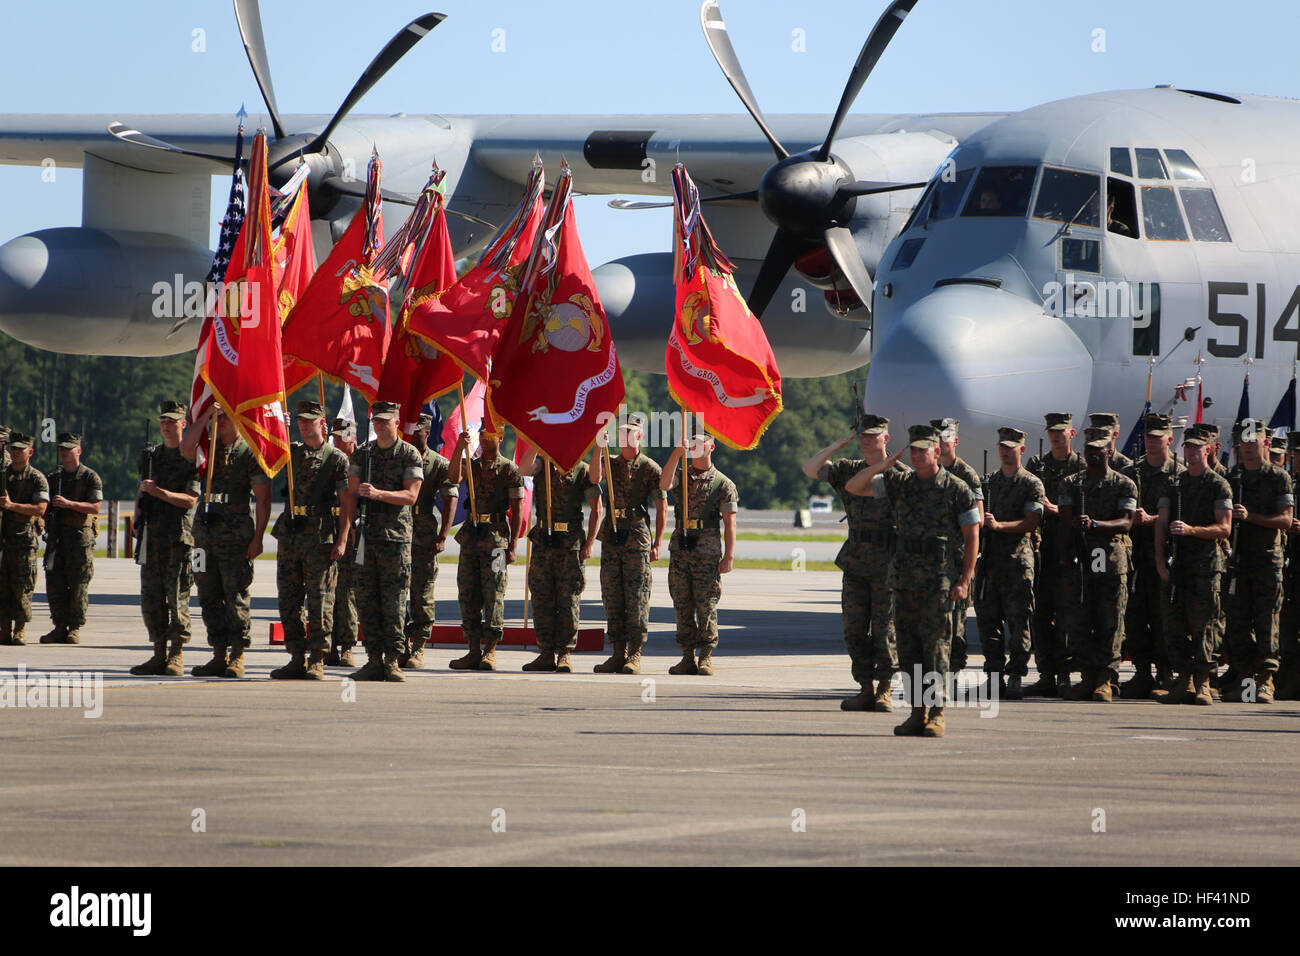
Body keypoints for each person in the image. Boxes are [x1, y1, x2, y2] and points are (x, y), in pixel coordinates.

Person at [846, 424, 980, 738]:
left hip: (938, 582)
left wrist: (964, 580)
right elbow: (854, 486)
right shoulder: (900, 484)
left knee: (936, 650)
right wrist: (884, 464)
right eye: (914, 450)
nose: (918, 456)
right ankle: (917, 714)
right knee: (908, 651)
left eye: (924, 449)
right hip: (904, 581)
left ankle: (936, 714)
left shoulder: (956, 488)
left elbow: (972, 536)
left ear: (937, 450)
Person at [803, 414, 905, 711]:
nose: (866, 440)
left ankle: (885, 688)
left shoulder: (899, 474)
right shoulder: (848, 469)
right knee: (854, 629)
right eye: (863, 435)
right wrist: (838, 445)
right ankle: (865, 688)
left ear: (886, 438)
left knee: (885, 630)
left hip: (887, 562)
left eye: (873, 435)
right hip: (856, 560)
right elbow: (811, 469)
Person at [181, 406, 271, 678]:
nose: (219, 421)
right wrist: (206, 414)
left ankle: (238, 655)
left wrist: (258, 538)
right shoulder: (207, 448)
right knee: (207, 594)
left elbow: (264, 499)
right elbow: (186, 446)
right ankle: (218, 653)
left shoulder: (249, 451)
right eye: (217, 417)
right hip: (205, 531)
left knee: (235, 594)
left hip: (235, 532)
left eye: (223, 416)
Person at [269, 401, 351, 681]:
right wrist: (279, 425)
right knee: (289, 599)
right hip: (291, 533)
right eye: (301, 421)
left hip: (320, 535)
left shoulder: (335, 458)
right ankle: (296, 656)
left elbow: (345, 503)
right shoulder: (291, 452)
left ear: (322, 423)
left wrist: (342, 539)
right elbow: (267, 452)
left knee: (320, 599)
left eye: (310, 421)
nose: (305, 425)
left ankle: (317, 657)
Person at [1154, 424, 1232, 705]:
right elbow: (1161, 524)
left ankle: (1204, 682)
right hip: (1178, 565)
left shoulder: (1218, 484)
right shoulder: (1174, 484)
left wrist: (1191, 530)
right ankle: (1183, 680)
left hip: (1206, 565)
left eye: (1197, 447)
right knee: (1175, 623)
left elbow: (1224, 528)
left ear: (1208, 450)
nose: (1192, 452)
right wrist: (1160, 561)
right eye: (1188, 447)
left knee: (1205, 624)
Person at [347, 401, 423, 682]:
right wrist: (352, 524)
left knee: (394, 602)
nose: (379, 425)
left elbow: (411, 496)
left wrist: (378, 494)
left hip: (395, 539)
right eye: (376, 421)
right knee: (367, 600)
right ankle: (373, 659)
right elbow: (351, 494)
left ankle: (392, 660)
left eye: (385, 420)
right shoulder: (363, 454)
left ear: (396, 421)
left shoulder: (408, 454)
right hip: (366, 537)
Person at [1057, 434, 1137, 702]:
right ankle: (1086, 677)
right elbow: (1065, 522)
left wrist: (1095, 525)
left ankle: (1105, 678)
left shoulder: (1124, 483)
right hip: (1081, 559)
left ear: (1109, 452)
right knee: (1079, 619)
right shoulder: (1072, 483)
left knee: (1110, 620)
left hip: (1110, 558)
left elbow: (1126, 523)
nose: (1092, 455)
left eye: (1098, 451)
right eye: (1089, 450)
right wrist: (1065, 554)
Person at [1221, 418, 1293, 703]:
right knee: (1237, 623)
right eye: (1244, 441)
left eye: (1254, 440)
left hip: (1265, 561)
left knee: (1266, 623)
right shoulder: (1232, 477)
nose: (1248, 446)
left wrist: (1251, 517)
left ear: (1265, 442)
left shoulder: (1278, 477)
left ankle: (1265, 681)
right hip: (1238, 561)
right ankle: (1245, 680)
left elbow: (1286, 520)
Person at [589, 413, 665, 675]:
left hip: (636, 537)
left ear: (640, 436)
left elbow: (662, 506)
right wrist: (599, 447)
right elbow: (593, 478)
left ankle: (635, 653)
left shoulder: (649, 468)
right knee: (612, 596)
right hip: (612, 536)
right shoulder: (610, 463)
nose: (625, 436)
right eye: (622, 432)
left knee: (637, 597)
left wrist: (657, 542)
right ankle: (617, 652)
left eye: (631, 432)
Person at [446, 419, 524, 671]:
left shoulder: (509, 470)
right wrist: (459, 447)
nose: (483, 437)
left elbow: (518, 509)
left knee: (495, 594)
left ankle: (490, 651)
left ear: (500, 437)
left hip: (497, 538)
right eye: (481, 433)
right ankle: (472, 650)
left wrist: (513, 545)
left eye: (489, 433)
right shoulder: (473, 465)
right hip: (471, 536)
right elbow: (453, 477)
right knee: (468, 594)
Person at [660, 428, 738, 676]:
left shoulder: (723, 484)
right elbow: (663, 484)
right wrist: (676, 454)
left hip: (707, 552)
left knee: (706, 605)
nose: (693, 445)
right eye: (690, 441)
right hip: (681, 549)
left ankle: (706, 656)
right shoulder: (681, 477)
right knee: (682, 604)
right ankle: (687, 656)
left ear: (711, 447)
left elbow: (730, 523)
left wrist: (729, 556)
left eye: (699, 442)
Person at [130, 401, 200, 675]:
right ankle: (158, 652)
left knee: (177, 597)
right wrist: (138, 516)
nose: (167, 425)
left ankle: (176, 655)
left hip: (177, 537)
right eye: (163, 421)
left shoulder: (190, 458)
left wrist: (160, 493)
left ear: (184, 424)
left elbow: (190, 500)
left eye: (172, 421)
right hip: (152, 535)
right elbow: (142, 490)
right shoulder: (151, 456)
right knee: (151, 597)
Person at [975, 427, 1045, 700]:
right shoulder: (989, 483)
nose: (1005, 451)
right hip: (990, 562)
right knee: (988, 623)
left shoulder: (1031, 483)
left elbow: (1031, 521)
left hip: (1017, 563)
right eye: (1002, 446)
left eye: (1011, 447)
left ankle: (1016, 675)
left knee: (1019, 622)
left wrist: (999, 525)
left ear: (1021, 450)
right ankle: (994, 677)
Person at [518, 447, 602, 673]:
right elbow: (523, 469)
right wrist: (535, 445)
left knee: (568, 600)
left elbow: (597, 508)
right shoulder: (542, 465)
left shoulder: (581, 469)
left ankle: (565, 653)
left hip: (569, 543)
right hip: (544, 541)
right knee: (542, 598)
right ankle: (545, 653)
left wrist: (590, 542)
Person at [1121, 414, 1184, 698]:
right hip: (1135, 553)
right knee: (1135, 613)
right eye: (1148, 436)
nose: (1151, 441)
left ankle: (1165, 673)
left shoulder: (1180, 474)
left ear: (1170, 439)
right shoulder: (1133, 472)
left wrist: (1152, 519)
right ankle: (1142, 672)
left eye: (1157, 437)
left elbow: (1184, 514)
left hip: (1166, 554)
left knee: (1163, 615)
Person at [1025, 413, 1085, 695]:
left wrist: (1056, 511)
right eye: (1052, 431)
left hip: (1071, 550)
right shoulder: (1038, 465)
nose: (1056, 436)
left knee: (1067, 614)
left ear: (1071, 434)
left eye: (1061, 431)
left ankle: (1064, 674)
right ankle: (1046, 673)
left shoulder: (1082, 467)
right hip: (1042, 548)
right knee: (1041, 614)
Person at [402, 413, 456, 670]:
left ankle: (419, 646)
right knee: (395, 590)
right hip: (397, 531)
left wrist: (443, 535)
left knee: (422, 592)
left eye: (419, 432)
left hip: (423, 532)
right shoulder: (398, 457)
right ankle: (398, 644)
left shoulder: (438, 463)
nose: (413, 436)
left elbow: (450, 499)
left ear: (428, 432)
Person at [40, 433, 102, 644]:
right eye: (61, 448)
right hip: (57, 537)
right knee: (55, 583)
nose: (64, 452)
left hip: (79, 538)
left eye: (68, 448)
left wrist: (69, 504)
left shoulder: (90, 476)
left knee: (78, 584)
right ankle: (59, 625)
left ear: (79, 450)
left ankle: (74, 627)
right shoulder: (53, 478)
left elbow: (95, 506)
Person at [933, 418, 983, 676]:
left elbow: (979, 519)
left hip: (957, 557)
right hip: (932, 559)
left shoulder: (966, 474)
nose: (941, 441)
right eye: (938, 437)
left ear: (956, 440)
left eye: (946, 436)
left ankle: (953, 670)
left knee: (956, 622)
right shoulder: (927, 472)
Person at [0, 432, 49, 646]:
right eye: (13, 448)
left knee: (23, 586)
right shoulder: (3, 475)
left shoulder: (36, 478)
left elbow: (40, 509)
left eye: (21, 448)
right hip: (4, 539)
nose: (15, 452)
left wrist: (11, 506)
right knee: (3, 586)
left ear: (30, 451)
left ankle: (20, 629)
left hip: (24, 540)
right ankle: (3, 629)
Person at [327, 417, 360, 666]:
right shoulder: (329, 461)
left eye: (341, 436)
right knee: (328, 590)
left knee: (348, 589)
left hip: (357, 534)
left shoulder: (365, 461)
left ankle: (348, 645)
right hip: (329, 529)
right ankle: (328, 644)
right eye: (335, 436)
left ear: (352, 437)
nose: (337, 441)